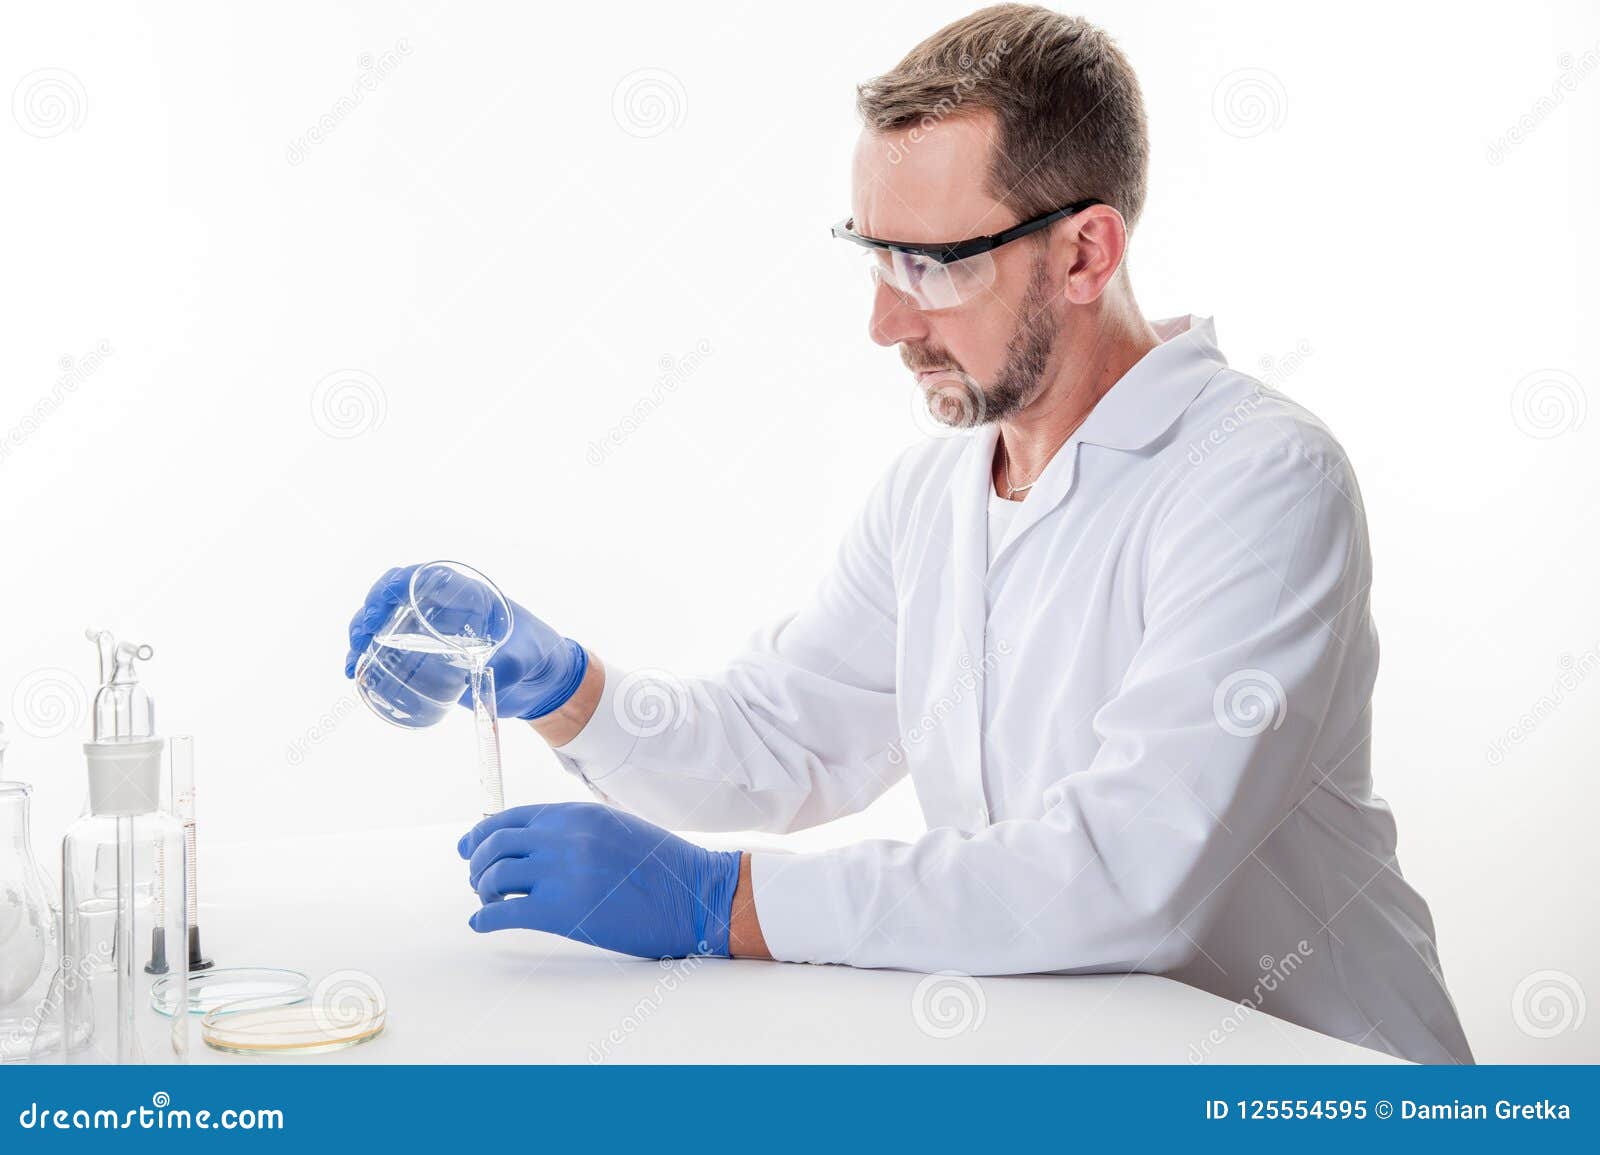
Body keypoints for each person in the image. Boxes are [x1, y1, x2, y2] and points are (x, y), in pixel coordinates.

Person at [345, 4, 1473, 1064]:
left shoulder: (1256, 480)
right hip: (1099, 1072)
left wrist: (725, 903)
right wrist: (566, 686)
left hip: (1320, 1079)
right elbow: (784, 744)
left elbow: (1125, 875)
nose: (886, 320)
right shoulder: (934, 497)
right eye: (876, 254)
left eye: (934, 264)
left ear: (1084, 253)